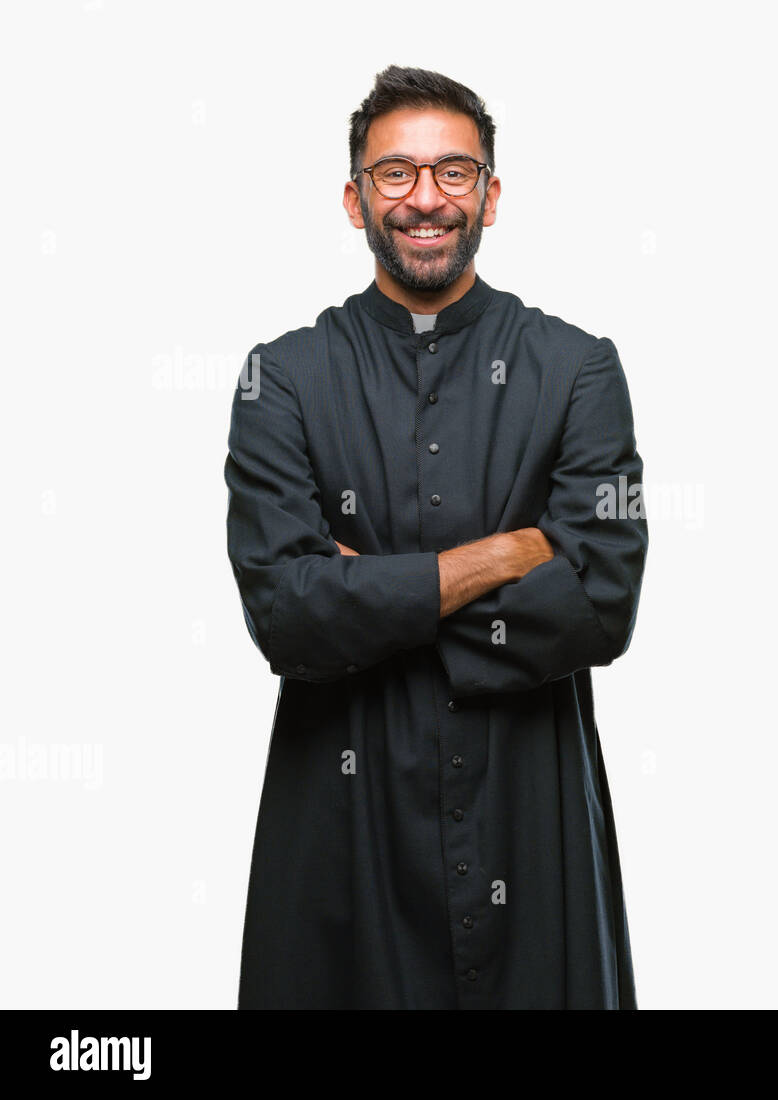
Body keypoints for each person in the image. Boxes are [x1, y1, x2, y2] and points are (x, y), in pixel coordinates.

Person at [223, 65, 648, 1009]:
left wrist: (367, 592)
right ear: (353, 199)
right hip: (340, 829)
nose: (426, 199)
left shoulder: (581, 370)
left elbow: (602, 603)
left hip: (529, 821)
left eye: (455, 173)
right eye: (396, 174)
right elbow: (286, 615)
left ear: (491, 195)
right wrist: (502, 557)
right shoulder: (281, 379)